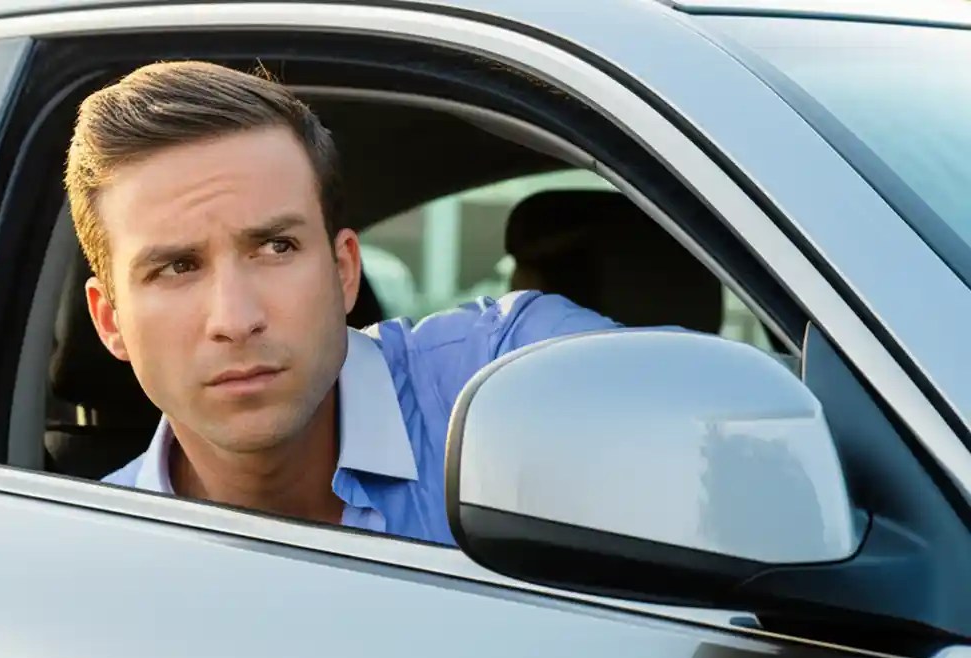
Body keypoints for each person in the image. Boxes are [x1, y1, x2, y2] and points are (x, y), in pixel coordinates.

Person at [65, 60, 619, 546]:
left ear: (344, 270)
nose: (235, 320)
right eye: (177, 267)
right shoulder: (86, 562)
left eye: (276, 247)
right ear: (109, 320)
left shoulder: (502, 373)